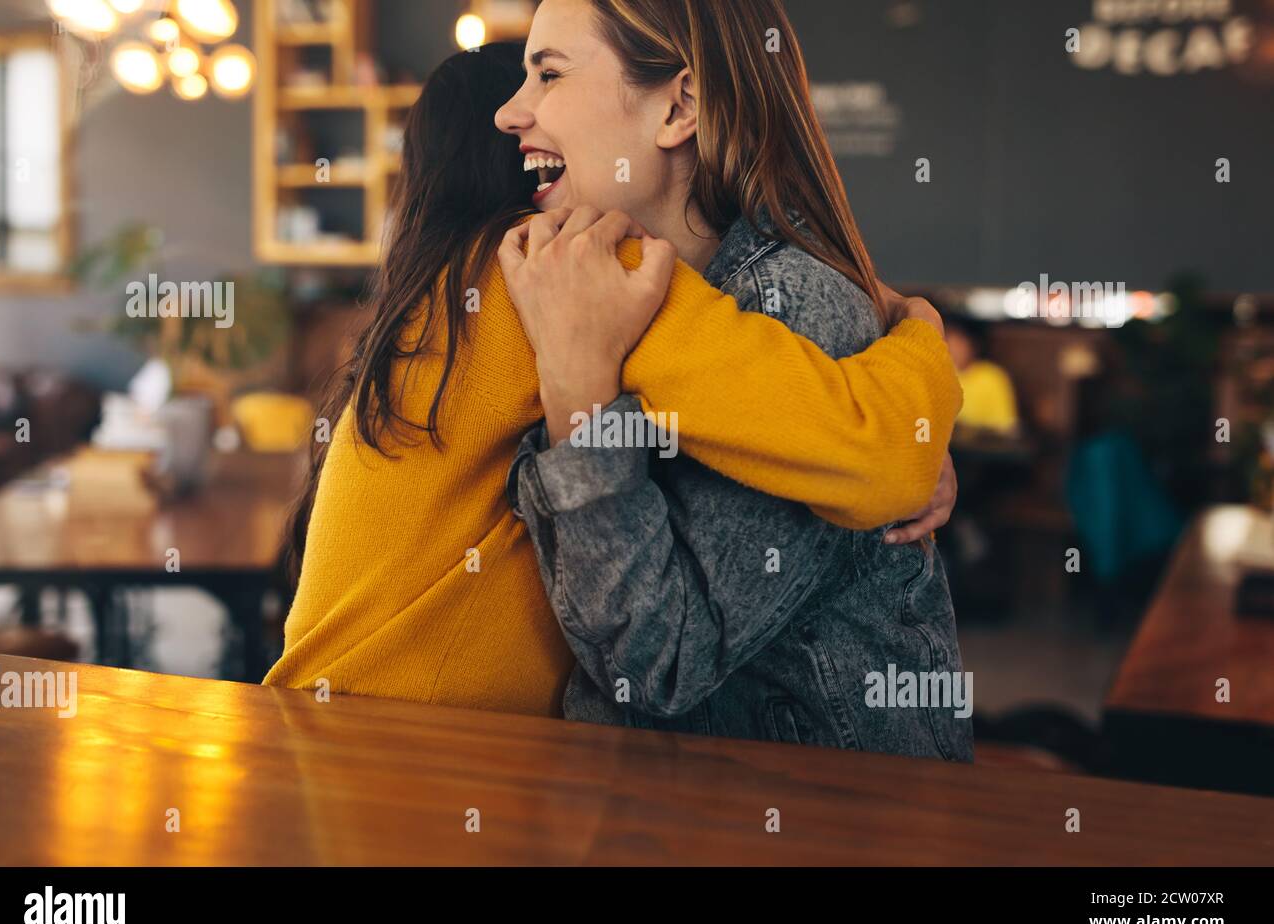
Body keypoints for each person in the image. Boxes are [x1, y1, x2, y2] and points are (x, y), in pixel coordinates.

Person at [266, 40, 960, 736]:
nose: (523, 112)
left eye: (552, 79)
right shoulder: (560, 265)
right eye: (531, 81)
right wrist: (914, 331)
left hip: (329, 743)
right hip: (417, 769)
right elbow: (880, 454)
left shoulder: (443, 297)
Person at [497, 0, 972, 759]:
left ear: (679, 106)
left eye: (547, 74)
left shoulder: (796, 310)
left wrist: (578, 396)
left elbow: (656, 666)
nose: (509, 111)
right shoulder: (583, 286)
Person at [946, 319, 1020, 436]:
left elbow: (1005, 427)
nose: (952, 350)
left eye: (958, 344)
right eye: (947, 343)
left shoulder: (992, 377)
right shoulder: (939, 376)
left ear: (972, 345)